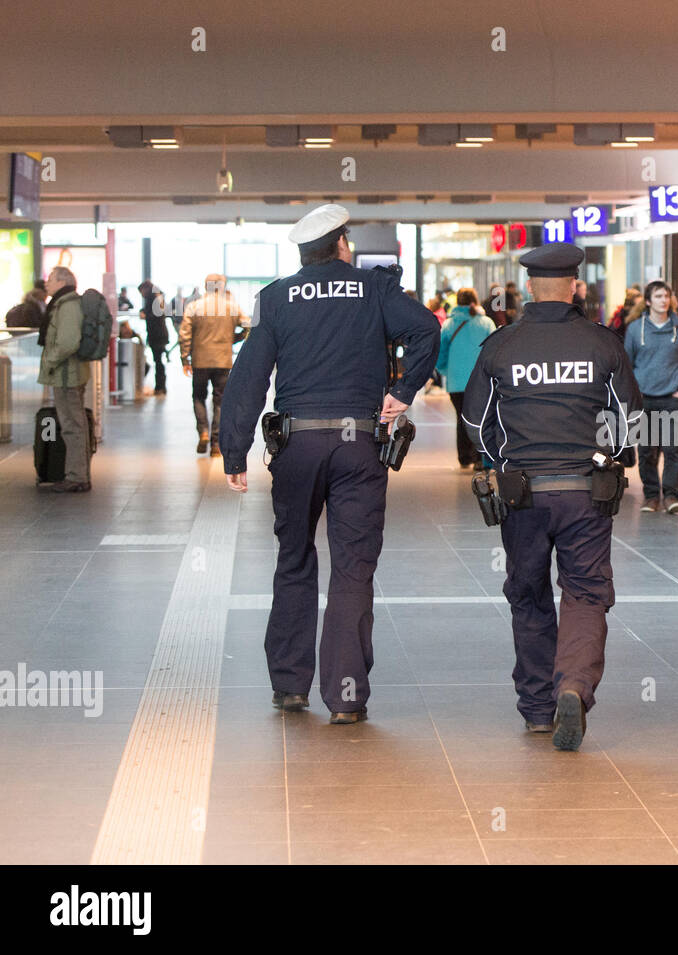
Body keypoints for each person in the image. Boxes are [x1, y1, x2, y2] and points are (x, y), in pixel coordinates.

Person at [218, 203, 438, 724]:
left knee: (294, 558)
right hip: (358, 445)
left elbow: (247, 376)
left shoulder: (275, 298)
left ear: (303, 253)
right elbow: (426, 331)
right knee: (353, 567)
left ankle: (290, 686)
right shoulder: (373, 289)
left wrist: (234, 450)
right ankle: (345, 697)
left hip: (297, 447)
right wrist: (403, 391)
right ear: (343, 245)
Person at [461, 242, 644, 751]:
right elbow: (628, 420)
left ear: (529, 289)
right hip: (586, 490)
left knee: (529, 593)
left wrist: (503, 459)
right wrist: (609, 454)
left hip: (522, 493)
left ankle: (540, 709)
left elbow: (476, 421)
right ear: (573, 286)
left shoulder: (501, 345)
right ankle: (573, 686)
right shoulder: (602, 344)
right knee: (585, 592)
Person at [624, 280, 678, 514]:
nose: (663, 300)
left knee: (672, 450)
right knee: (646, 451)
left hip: (671, 398)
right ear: (648, 301)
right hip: (644, 398)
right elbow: (627, 363)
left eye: (666, 296)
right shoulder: (635, 329)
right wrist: (634, 392)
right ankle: (651, 496)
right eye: (658, 296)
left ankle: (671, 496)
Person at [180, 273, 249, 456]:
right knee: (220, 400)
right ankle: (216, 443)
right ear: (222, 286)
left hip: (200, 361)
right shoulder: (231, 306)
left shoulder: (194, 306)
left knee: (198, 397)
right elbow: (248, 325)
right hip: (223, 360)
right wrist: (234, 339)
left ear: (205, 286)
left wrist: (184, 358)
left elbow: (185, 334)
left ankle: (203, 431)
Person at [37, 266, 92, 493]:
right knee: (74, 424)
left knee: (72, 426)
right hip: (67, 373)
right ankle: (79, 474)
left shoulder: (68, 306)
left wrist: (49, 360)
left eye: (50, 279)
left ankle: (77, 476)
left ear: (62, 281)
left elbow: (68, 342)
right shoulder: (65, 303)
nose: (46, 283)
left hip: (66, 375)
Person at [435, 287, 495, 468]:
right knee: (480, 418)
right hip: (480, 381)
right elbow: (494, 348)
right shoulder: (485, 323)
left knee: (460, 418)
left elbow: (440, 354)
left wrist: (447, 371)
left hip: (456, 381)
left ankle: (463, 457)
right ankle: (479, 457)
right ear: (474, 301)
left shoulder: (448, 325)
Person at [138, 280, 170, 396]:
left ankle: (160, 387)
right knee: (159, 361)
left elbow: (154, 315)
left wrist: (145, 315)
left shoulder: (153, 298)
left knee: (158, 362)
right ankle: (160, 387)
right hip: (160, 334)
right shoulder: (158, 296)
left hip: (156, 335)